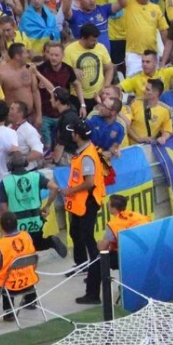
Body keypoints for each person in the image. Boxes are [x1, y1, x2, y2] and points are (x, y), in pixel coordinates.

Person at [63, 119, 107, 305]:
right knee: (77, 233)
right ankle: (84, 267)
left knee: (88, 239)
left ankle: (93, 283)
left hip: (87, 202)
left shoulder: (87, 156)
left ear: (78, 135)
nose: (71, 134)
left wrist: (70, 191)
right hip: (81, 204)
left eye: (73, 132)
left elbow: (89, 182)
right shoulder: (84, 152)